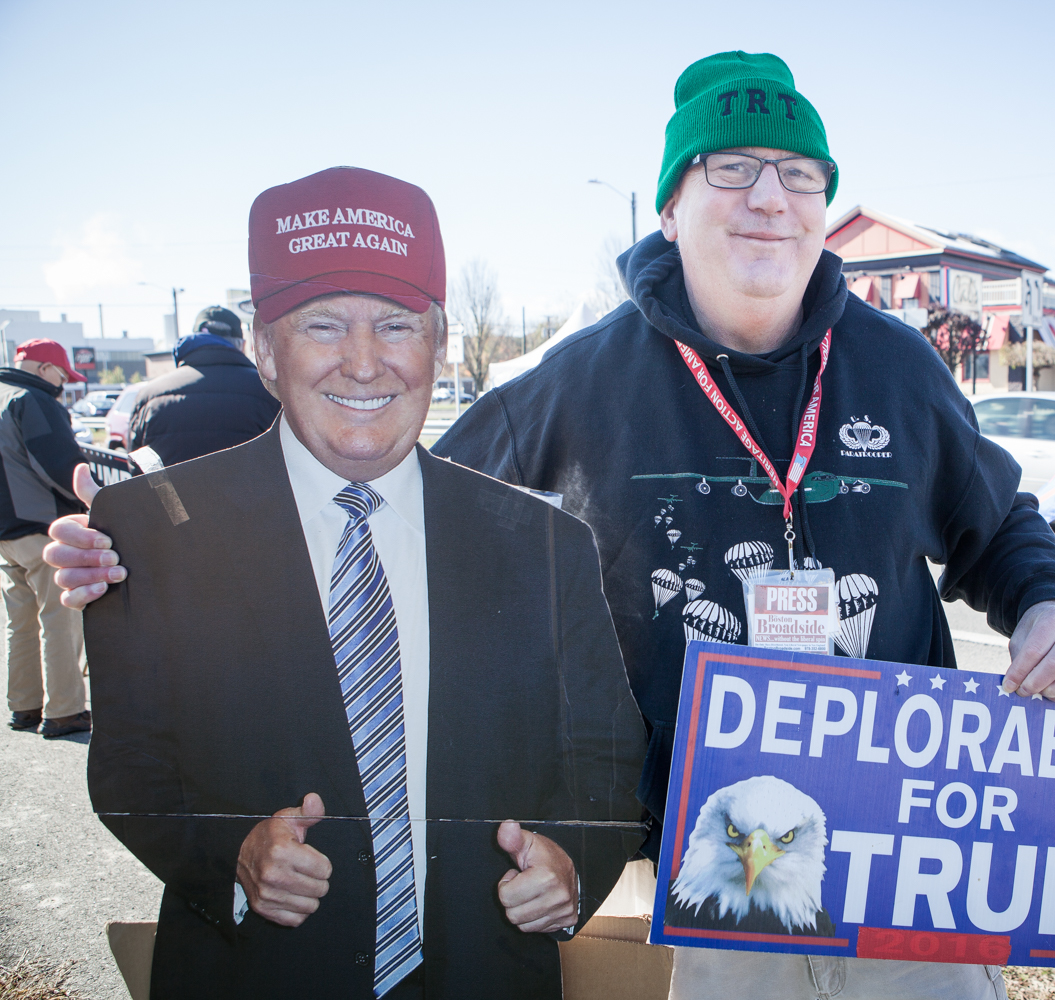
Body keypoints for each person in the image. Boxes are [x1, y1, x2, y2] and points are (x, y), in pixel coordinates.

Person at [431, 51, 1055, 999]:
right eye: (731, 168)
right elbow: (413, 512)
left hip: (903, 854)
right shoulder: (580, 383)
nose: (769, 197)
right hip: (709, 867)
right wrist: (159, 555)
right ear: (670, 207)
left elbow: (999, 527)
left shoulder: (897, 367)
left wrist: (1051, 604)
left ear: (824, 205)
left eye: (799, 173)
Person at [49, 167, 645, 999]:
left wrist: (573, 864)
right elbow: (130, 770)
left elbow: (607, 758)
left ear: (438, 344)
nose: (364, 363)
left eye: (397, 325)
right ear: (264, 349)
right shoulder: (153, 532)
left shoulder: (545, 543)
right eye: (323, 324)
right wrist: (232, 856)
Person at [0, 339, 90, 738]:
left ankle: (23, 706)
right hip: (40, 526)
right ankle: (63, 710)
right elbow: (59, 464)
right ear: (43, 369)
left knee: (18, 623)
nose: (62, 383)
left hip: (4, 533)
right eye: (60, 374)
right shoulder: (32, 399)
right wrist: (92, 498)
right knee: (59, 620)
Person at [126, 305, 280, 468]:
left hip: (171, 494)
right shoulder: (269, 388)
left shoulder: (149, 396)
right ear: (242, 345)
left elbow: (137, 468)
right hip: (252, 493)